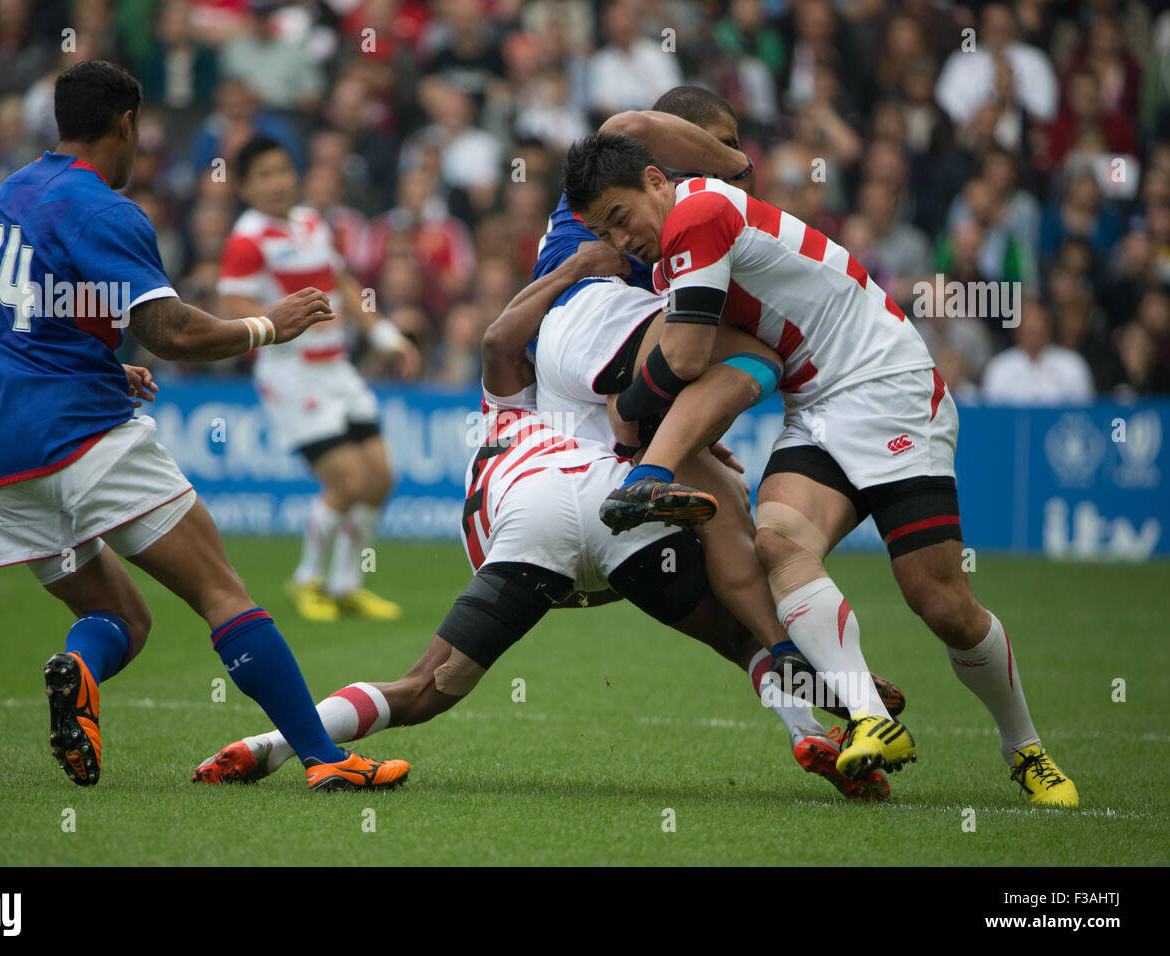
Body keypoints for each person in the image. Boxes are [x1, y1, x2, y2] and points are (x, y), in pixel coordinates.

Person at [195, 239, 896, 801]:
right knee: (746, 637)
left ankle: (270, 747)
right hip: (620, 505)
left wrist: (571, 269)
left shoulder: (507, 408)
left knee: (423, 691)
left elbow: (500, 340)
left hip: (527, 526)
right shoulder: (616, 406)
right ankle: (815, 717)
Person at [560, 131, 1078, 806]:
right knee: (778, 543)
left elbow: (685, 359)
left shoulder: (698, 212)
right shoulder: (672, 257)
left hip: (886, 385)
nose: (621, 238)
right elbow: (731, 358)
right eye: (604, 230)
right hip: (817, 404)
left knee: (940, 601)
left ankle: (1026, 749)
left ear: (656, 180)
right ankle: (870, 720)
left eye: (620, 219)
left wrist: (625, 412)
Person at [0, 60, 407, 792]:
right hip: (81, 437)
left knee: (122, 618)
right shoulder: (103, 208)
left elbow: (4, 332)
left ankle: (79, 668)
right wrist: (269, 325)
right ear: (127, 125)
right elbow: (169, 332)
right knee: (223, 593)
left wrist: (104, 364)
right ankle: (325, 758)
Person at [219, 135, 420, 622]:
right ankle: (306, 579)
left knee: (379, 478)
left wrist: (385, 336)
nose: (277, 182)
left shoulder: (310, 222)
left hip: (337, 369)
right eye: (264, 175)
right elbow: (232, 306)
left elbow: (344, 283)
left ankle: (346, 583)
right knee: (347, 480)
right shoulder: (247, 239)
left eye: (282, 170)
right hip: (292, 376)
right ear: (245, 186)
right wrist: (282, 319)